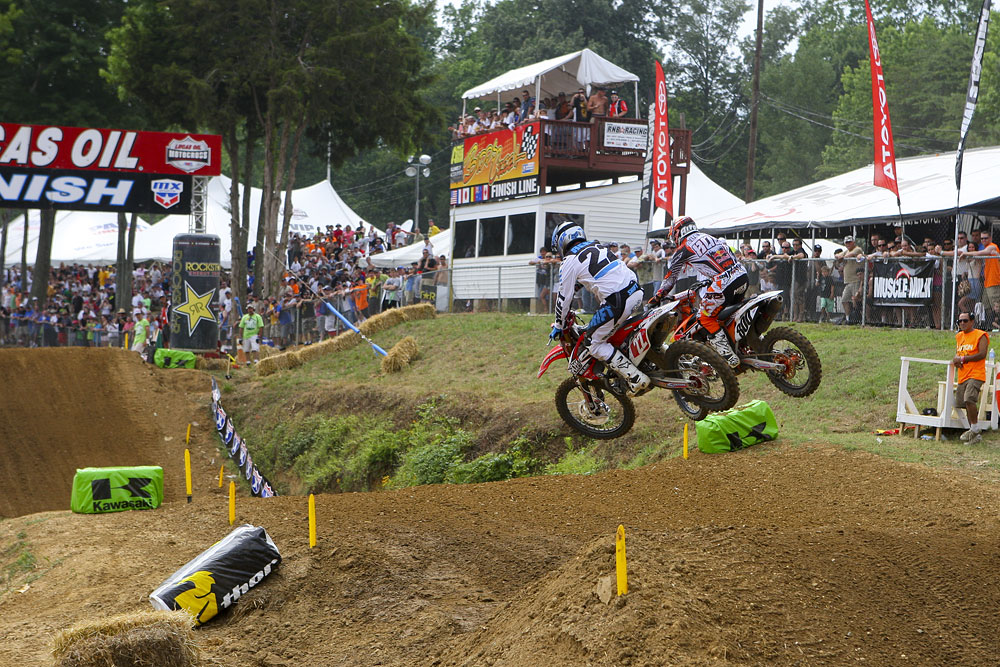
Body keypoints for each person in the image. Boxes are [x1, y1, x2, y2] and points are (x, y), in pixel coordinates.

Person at [550, 220, 649, 394]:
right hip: (636, 290)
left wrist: (558, 325)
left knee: (593, 342)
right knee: (616, 333)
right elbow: (595, 275)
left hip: (617, 300)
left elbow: (563, 298)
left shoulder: (569, 260)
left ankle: (635, 378)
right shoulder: (599, 247)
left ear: (561, 242)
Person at [650, 216, 748, 367]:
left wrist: (657, 296)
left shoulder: (684, 248)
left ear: (677, 232)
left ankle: (729, 357)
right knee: (730, 314)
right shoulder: (710, 237)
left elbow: (671, 278)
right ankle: (743, 344)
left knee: (705, 318)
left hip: (723, 282)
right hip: (741, 275)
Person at [952, 312, 990, 443]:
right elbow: (959, 353)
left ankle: (974, 428)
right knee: (965, 404)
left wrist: (963, 359)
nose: (962, 323)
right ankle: (975, 437)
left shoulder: (981, 335)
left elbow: (982, 354)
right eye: (960, 321)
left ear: (972, 321)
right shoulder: (959, 336)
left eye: (965, 321)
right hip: (963, 374)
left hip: (976, 374)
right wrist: (957, 360)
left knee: (969, 399)